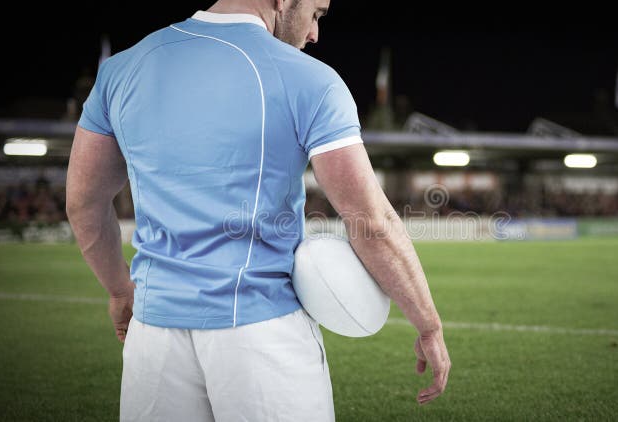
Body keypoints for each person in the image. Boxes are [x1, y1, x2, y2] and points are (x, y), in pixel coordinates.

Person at [65, 1, 450, 420]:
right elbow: (370, 221)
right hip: (262, 336)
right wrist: (428, 323)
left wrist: (121, 291)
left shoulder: (122, 70)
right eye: (317, 13)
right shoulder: (311, 79)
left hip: (152, 340)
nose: (315, 33)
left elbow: (83, 204)